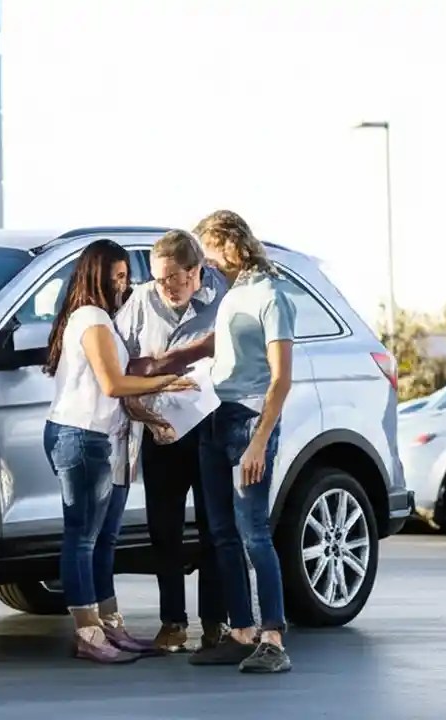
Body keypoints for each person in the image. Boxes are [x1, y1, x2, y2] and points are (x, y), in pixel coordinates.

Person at [42, 238, 198, 664]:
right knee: (83, 538)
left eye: (126, 277)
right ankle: (88, 634)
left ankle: (110, 625)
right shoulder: (90, 318)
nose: (123, 286)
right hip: (82, 437)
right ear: (94, 276)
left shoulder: (107, 319)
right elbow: (113, 384)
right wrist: (167, 382)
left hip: (110, 439)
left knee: (104, 539)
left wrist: (153, 419)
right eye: (116, 277)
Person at [186, 210, 296, 674]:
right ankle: (241, 632)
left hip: (250, 422)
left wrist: (259, 442)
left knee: (254, 532)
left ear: (229, 243)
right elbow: (219, 347)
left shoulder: (271, 296)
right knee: (222, 534)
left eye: (207, 250)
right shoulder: (233, 292)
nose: (204, 261)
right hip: (216, 418)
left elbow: (281, 380)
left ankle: (273, 638)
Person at [113, 229, 230, 655]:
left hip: (210, 426)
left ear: (196, 271)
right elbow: (124, 360)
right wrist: (162, 365)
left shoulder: (225, 297)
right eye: (159, 279)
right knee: (164, 529)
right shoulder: (142, 300)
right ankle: (173, 623)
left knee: (216, 528)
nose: (166, 288)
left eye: (174, 279)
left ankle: (216, 622)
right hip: (160, 427)